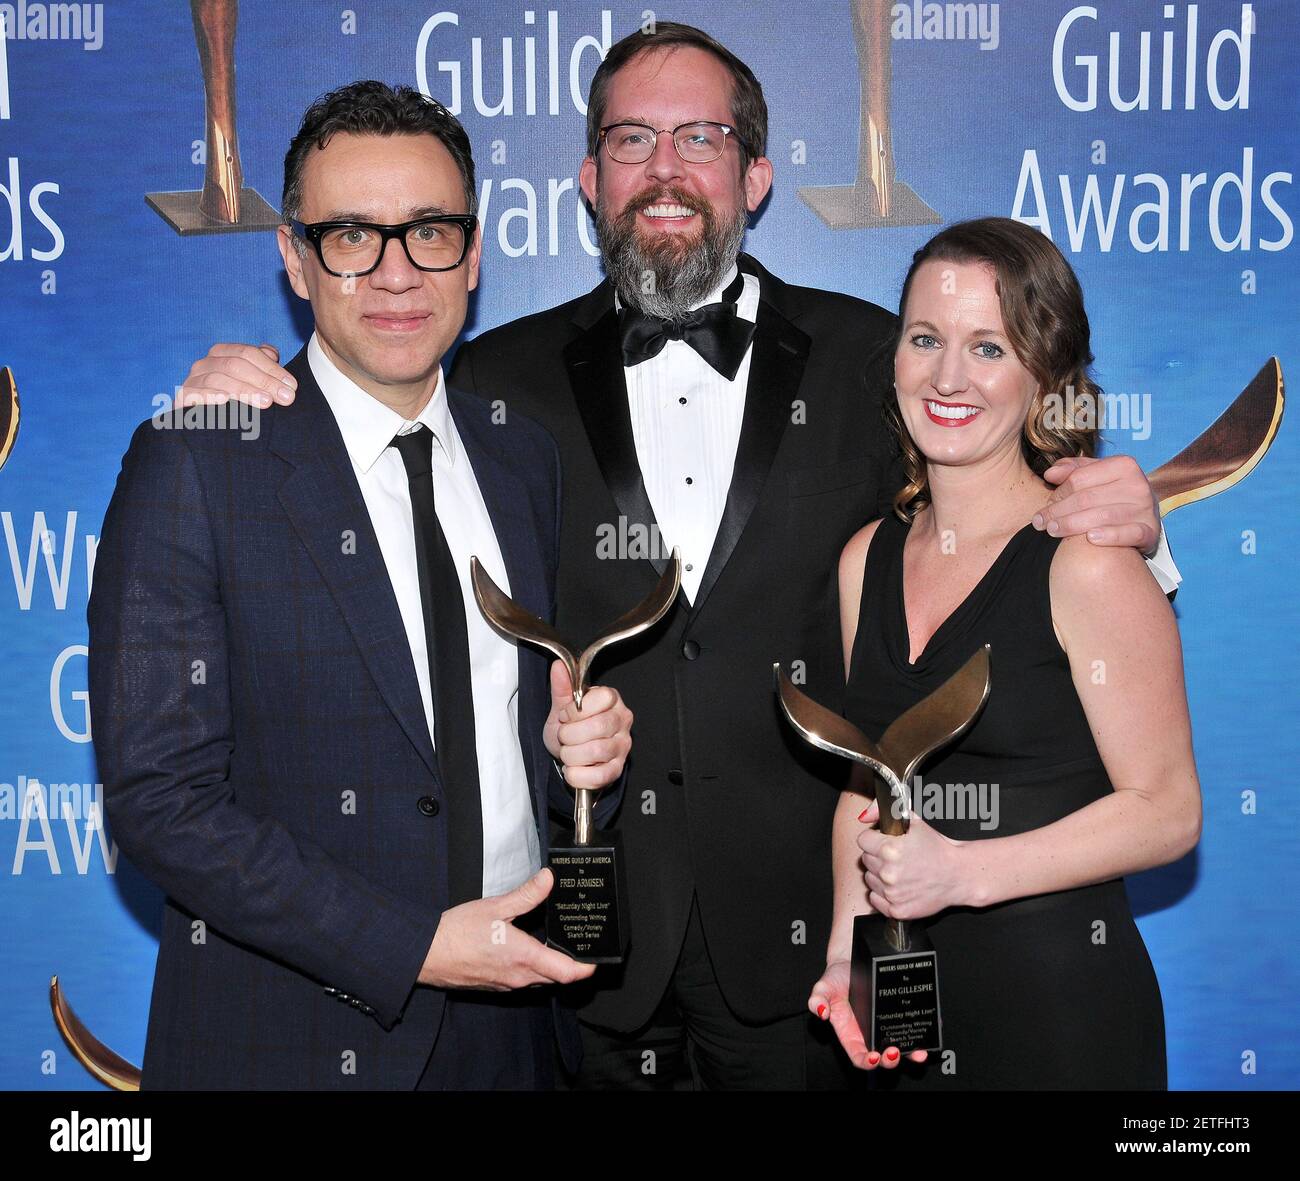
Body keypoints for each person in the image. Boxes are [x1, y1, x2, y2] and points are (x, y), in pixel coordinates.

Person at [170, 25, 1176, 1089]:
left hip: (818, 949)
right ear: (587, 179)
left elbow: (994, 505)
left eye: (701, 136)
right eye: (631, 138)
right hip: (578, 952)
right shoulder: (490, 378)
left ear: (756, 173)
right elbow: (361, 421)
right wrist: (246, 399)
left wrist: (1133, 529)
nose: (664, 168)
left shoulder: (876, 358)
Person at [88, 81, 634, 1091]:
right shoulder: (198, 461)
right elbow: (160, 799)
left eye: (428, 230)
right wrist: (416, 945)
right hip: (295, 1035)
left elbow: (505, 736)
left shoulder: (524, 461)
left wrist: (572, 751)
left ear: (473, 252)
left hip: (522, 1031)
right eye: (350, 235)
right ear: (295, 258)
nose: (394, 272)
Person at [811, 217, 1201, 1089]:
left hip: (1060, 1019)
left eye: (989, 347)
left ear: (1043, 377)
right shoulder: (863, 558)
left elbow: (1169, 810)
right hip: (905, 1019)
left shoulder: (1088, 562)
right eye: (925, 339)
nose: (949, 377)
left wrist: (962, 872)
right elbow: (862, 789)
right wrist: (846, 951)